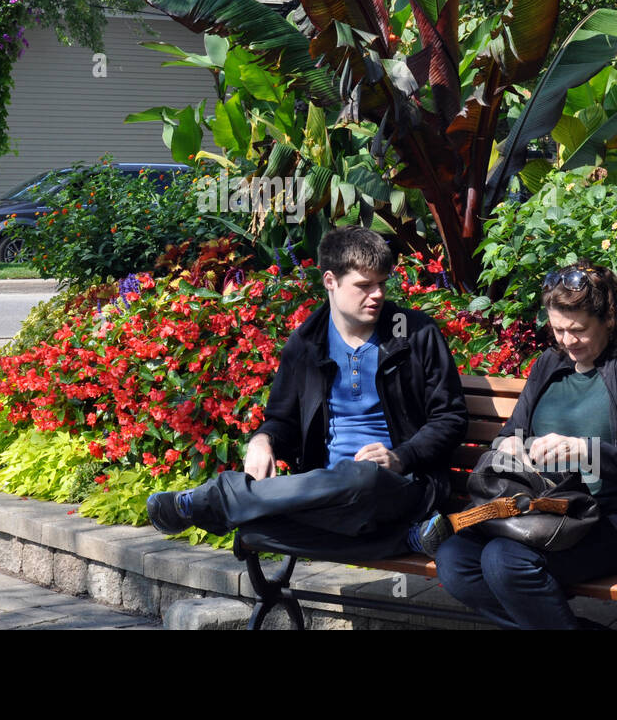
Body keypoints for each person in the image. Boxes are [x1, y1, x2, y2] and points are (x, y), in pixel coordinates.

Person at [146, 226, 469, 560]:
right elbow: (281, 421)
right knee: (256, 533)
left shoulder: (415, 334)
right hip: (327, 492)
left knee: (363, 480)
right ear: (330, 281)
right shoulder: (306, 344)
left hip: (401, 485)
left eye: (382, 284)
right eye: (364, 285)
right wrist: (263, 441)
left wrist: (403, 457)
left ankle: (210, 500)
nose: (377, 295)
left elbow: (451, 417)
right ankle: (408, 540)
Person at [433, 260, 617, 629]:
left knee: (505, 561)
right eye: (558, 329)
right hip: (543, 512)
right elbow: (513, 431)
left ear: (609, 319)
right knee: (455, 559)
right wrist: (510, 446)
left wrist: (586, 450)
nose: (567, 341)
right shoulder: (549, 364)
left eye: (578, 330)